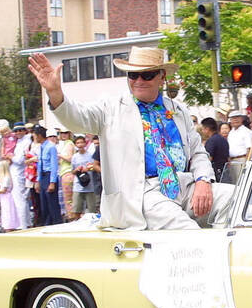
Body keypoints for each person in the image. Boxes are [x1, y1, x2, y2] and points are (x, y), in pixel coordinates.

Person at [28, 46, 234, 230]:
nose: (138, 81)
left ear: (162, 77)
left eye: (147, 75)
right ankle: (206, 259)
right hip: (141, 193)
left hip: (183, 186)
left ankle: (224, 257)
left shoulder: (177, 109)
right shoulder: (110, 107)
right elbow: (76, 119)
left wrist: (203, 181)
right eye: (133, 75)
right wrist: (55, 92)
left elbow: (198, 152)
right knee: (185, 230)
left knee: (235, 199)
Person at [69, 135, 101, 218]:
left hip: (90, 185)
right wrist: (77, 170)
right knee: (76, 209)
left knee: (92, 210)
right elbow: (72, 171)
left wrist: (88, 168)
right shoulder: (74, 157)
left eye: (81, 142)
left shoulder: (90, 155)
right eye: (78, 143)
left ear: (85, 143)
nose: (80, 145)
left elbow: (94, 166)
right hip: (78, 185)